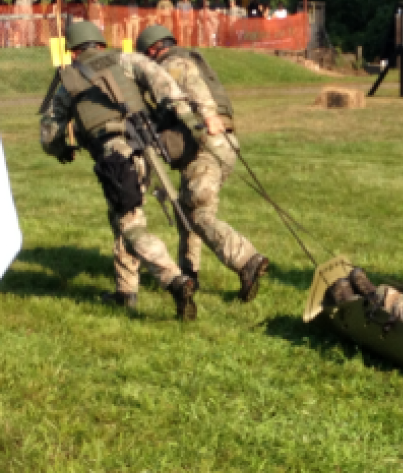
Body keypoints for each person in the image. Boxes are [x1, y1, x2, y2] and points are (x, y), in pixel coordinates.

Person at [39, 21, 211, 320]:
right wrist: (184, 112)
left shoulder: (69, 80)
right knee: (123, 217)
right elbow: (161, 81)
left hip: (115, 156)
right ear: (100, 43)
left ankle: (174, 279)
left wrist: (61, 150)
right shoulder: (126, 60)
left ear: (74, 50)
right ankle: (125, 290)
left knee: (130, 225)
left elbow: (50, 130)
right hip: (148, 149)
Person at [135, 25, 270, 302]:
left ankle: (246, 260)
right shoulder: (193, 57)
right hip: (225, 142)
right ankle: (189, 273)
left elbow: (194, 91)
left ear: (152, 50)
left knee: (199, 216)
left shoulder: (174, 64)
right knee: (188, 209)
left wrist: (207, 118)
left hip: (206, 144)